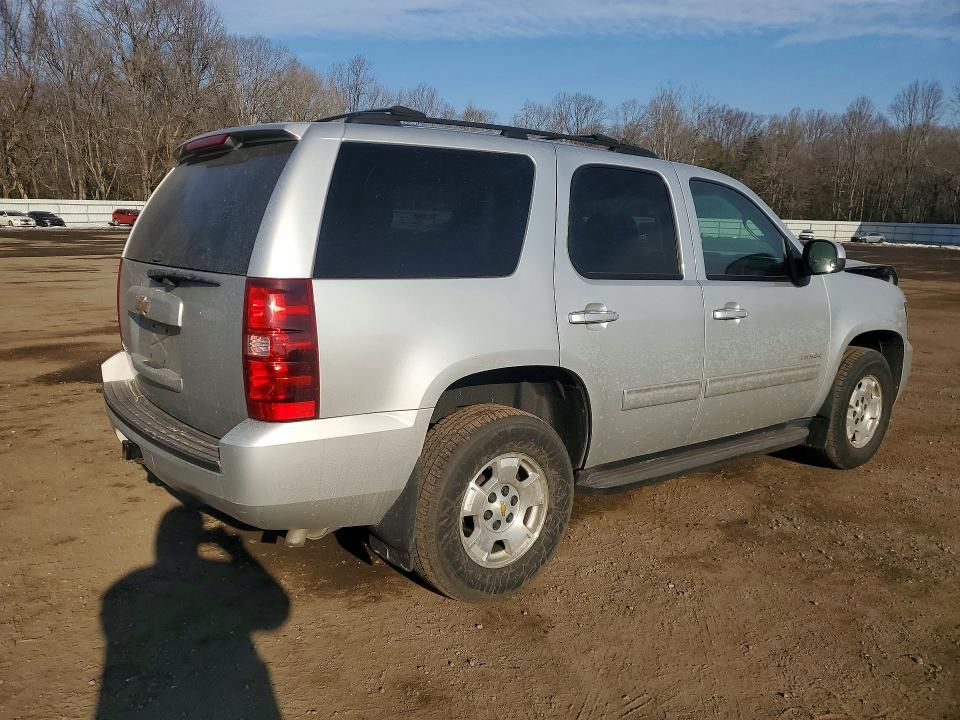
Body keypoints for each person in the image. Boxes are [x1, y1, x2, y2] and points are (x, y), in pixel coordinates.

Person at [96, 506, 289, 719]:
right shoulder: (222, 576)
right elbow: (276, 610)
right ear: (198, 537)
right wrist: (236, 550)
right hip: (227, 694)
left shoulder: (127, 587)